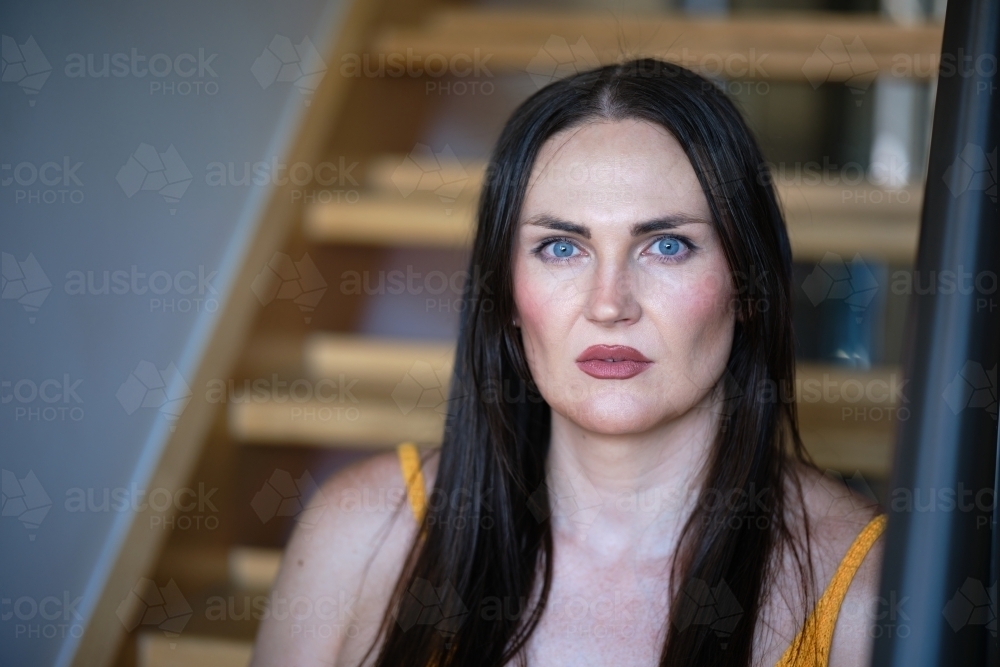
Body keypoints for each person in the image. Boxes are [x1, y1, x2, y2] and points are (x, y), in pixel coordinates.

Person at [251, 58, 885, 667]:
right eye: (561, 247)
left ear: (746, 284)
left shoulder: (871, 589)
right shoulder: (361, 531)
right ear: (507, 294)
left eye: (666, 246)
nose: (609, 305)